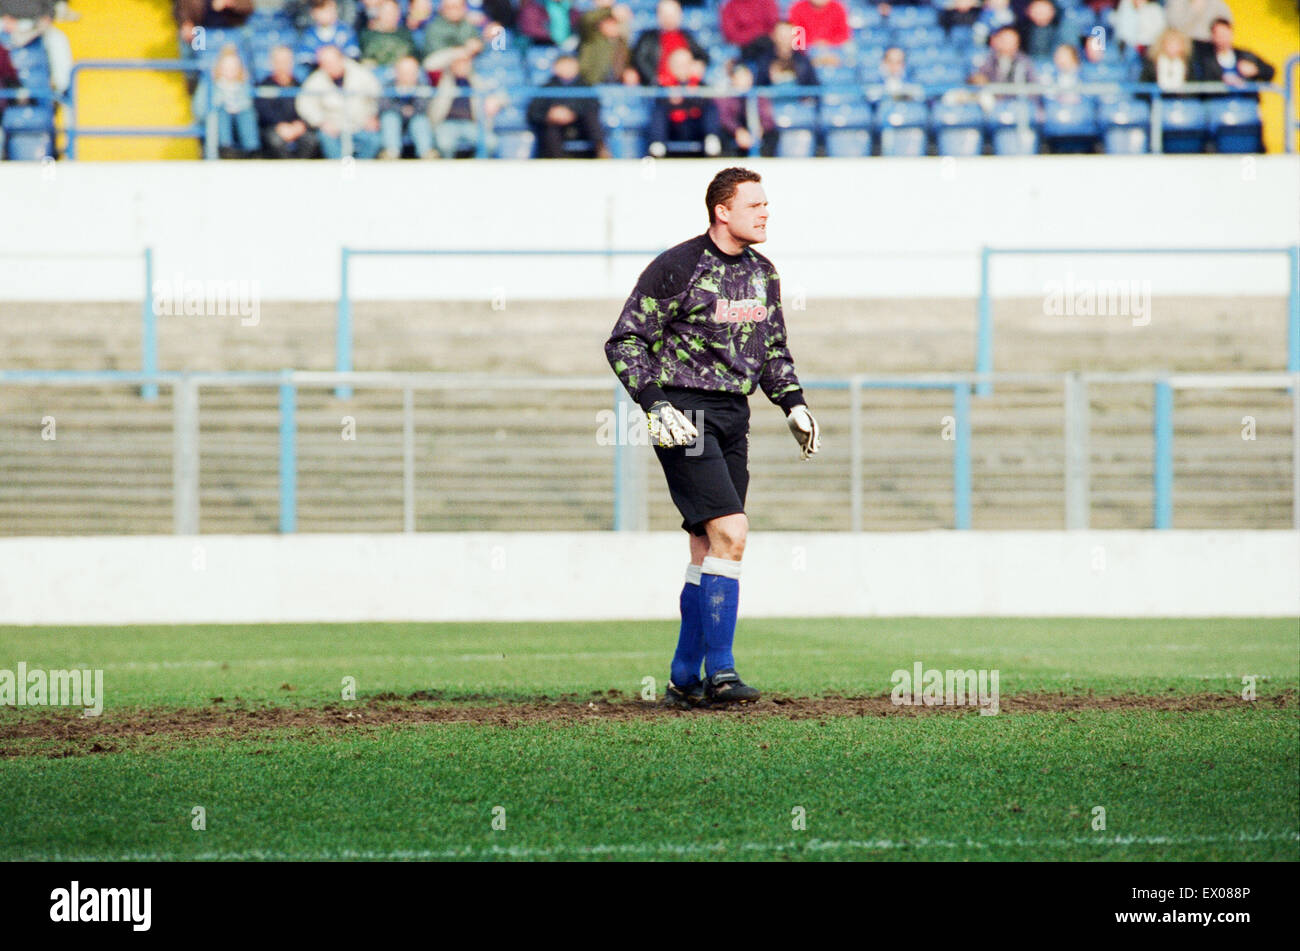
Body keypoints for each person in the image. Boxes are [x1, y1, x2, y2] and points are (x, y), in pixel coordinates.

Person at [604, 167, 820, 709]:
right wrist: (654, 404)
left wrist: (792, 402)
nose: (765, 212)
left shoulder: (764, 273)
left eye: (767, 204)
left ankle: (683, 677)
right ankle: (722, 674)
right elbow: (626, 341)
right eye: (754, 205)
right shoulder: (677, 266)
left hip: (733, 416)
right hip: (684, 414)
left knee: (708, 546)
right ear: (722, 211)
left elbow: (772, 349)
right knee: (733, 530)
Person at [296, 44, 383, 157]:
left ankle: (361, 170)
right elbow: (304, 104)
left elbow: (377, 95)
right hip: (334, 128)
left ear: (341, 59)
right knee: (325, 137)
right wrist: (321, 122)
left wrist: (373, 116)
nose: (328, 66)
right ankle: (338, 171)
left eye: (331, 62)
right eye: (324, 63)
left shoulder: (361, 73)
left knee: (374, 139)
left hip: (360, 125)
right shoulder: (315, 80)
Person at [527, 53, 608, 156]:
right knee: (549, 129)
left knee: (591, 117)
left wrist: (572, 113)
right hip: (555, 129)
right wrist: (550, 115)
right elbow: (533, 113)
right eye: (564, 65)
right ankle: (558, 160)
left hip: (580, 126)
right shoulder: (545, 88)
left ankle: (601, 149)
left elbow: (593, 105)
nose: (567, 69)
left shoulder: (585, 87)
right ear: (555, 68)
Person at [646, 46, 720, 157]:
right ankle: (657, 143)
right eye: (677, 64)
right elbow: (656, 102)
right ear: (670, 66)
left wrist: (690, 95)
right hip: (673, 129)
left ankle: (712, 138)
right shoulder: (662, 84)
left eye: (685, 64)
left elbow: (704, 103)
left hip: (694, 127)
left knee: (710, 108)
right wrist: (670, 99)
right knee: (658, 110)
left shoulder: (700, 84)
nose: (681, 68)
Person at [429, 48, 504, 156]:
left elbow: (502, 94)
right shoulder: (442, 80)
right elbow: (431, 64)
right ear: (452, 65)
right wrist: (456, 52)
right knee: (444, 144)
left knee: (491, 143)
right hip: (447, 123)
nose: (462, 66)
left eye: (465, 63)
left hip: (471, 124)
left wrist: (496, 101)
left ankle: (476, 169)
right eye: (458, 63)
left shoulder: (477, 81)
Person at [195, 44, 261, 157]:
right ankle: (225, 149)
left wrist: (237, 108)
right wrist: (220, 106)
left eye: (233, 68)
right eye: (227, 68)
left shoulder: (244, 85)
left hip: (240, 120)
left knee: (246, 113)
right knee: (221, 113)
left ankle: (252, 150)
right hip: (217, 121)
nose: (230, 72)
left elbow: (251, 104)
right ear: (219, 68)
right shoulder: (209, 85)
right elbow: (199, 109)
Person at [255, 44, 321, 158]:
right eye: (279, 61)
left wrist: (300, 125)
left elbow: (308, 108)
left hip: (298, 128)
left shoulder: (300, 86)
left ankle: (300, 169)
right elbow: (264, 112)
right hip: (273, 128)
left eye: (286, 61)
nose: (283, 65)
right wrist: (279, 125)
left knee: (311, 140)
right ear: (272, 63)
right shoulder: (263, 86)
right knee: (275, 141)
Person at [631, 0, 709, 87]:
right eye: (665, 14)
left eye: (672, 14)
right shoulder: (648, 38)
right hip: (659, 89)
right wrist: (655, 79)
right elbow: (639, 60)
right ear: (658, 16)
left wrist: (698, 65)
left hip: (685, 88)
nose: (669, 18)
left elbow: (703, 57)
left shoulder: (687, 37)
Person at [1192, 18, 1275, 90]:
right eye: (1219, 35)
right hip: (1217, 103)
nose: (1223, 38)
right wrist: (1222, 80)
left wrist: (1255, 70)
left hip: (1246, 103)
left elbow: (1270, 72)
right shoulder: (1206, 59)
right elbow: (1200, 79)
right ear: (1213, 37)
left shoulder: (1245, 55)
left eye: (1225, 34)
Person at [715, 62, 776, 156]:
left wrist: (760, 129)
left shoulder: (760, 97)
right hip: (735, 134)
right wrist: (737, 131)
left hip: (756, 133)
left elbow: (768, 118)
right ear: (733, 79)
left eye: (747, 76)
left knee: (772, 134)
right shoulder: (726, 97)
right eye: (741, 76)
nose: (745, 80)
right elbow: (725, 118)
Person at [379, 54, 436, 156]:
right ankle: (391, 152)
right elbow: (384, 105)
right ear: (397, 72)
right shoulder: (388, 86)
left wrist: (412, 110)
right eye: (404, 72)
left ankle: (426, 153)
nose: (408, 76)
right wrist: (401, 109)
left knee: (420, 121)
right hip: (395, 118)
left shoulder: (422, 86)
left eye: (411, 72)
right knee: (389, 118)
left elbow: (424, 105)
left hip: (415, 118)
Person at [577, 2, 636, 86]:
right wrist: (610, 11)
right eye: (608, 22)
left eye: (614, 23)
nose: (611, 26)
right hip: (593, 83)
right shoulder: (593, 38)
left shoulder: (622, 42)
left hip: (617, 84)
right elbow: (587, 20)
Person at [297, 0, 361, 67]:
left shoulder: (345, 31)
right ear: (313, 14)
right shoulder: (309, 35)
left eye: (329, 10)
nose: (326, 15)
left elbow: (353, 53)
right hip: (319, 71)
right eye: (321, 11)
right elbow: (305, 58)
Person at [360, 0, 416, 65]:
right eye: (386, 12)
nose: (390, 16)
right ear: (379, 13)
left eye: (393, 12)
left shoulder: (406, 35)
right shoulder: (367, 36)